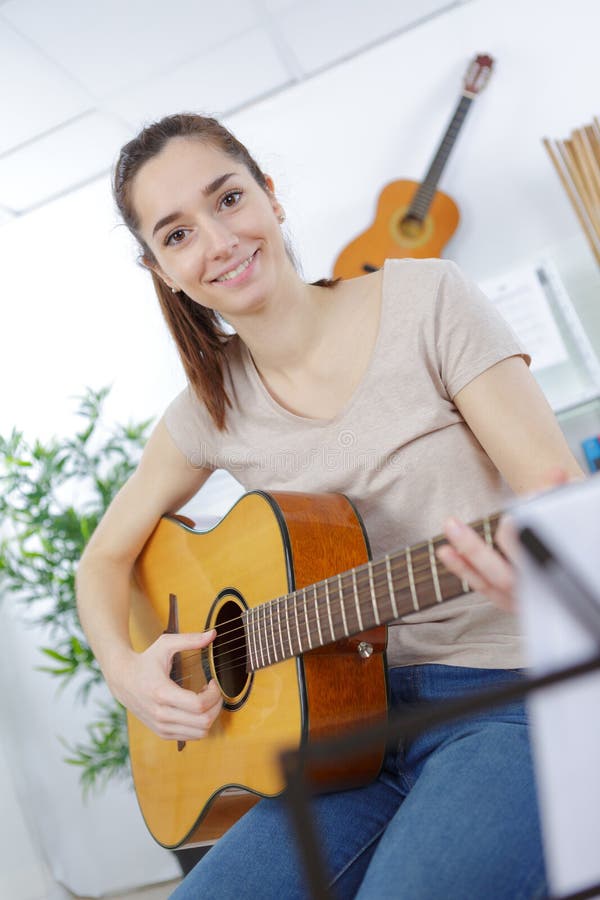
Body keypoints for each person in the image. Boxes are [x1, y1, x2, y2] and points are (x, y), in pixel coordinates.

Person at [76, 113, 584, 899]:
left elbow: (559, 509)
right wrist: (125, 670)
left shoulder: (428, 298)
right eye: (177, 236)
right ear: (162, 270)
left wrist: (548, 574)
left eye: (229, 199)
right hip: (341, 733)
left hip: (505, 694)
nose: (217, 240)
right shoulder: (205, 412)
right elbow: (102, 559)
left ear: (271, 199)